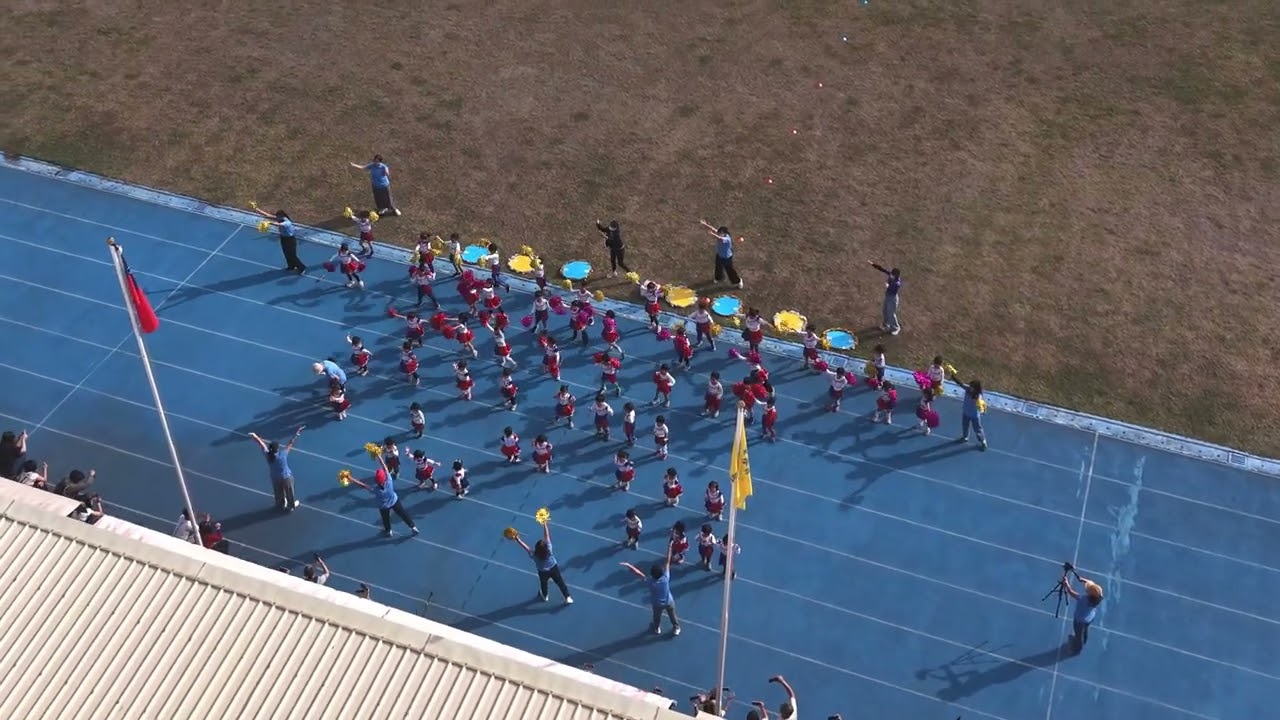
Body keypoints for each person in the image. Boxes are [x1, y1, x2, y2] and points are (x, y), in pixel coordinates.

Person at [620, 541, 680, 635]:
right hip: (669, 601)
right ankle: (676, 627)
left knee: (656, 617)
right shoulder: (666, 578)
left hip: (657, 604)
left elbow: (638, 573)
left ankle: (657, 628)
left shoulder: (650, 582)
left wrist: (629, 566)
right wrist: (670, 547)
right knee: (672, 615)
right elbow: (667, 562)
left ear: (652, 574)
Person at [344, 464, 420, 537]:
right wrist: (378, 455)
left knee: (385, 519)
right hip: (394, 501)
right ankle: (413, 527)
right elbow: (385, 467)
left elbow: (363, 485)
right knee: (403, 514)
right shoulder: (389, 481)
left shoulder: (376, 490)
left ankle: (389, 531)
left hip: (384, 506)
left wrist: (350, 478)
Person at [510, 520, 573, 604]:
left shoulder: (534, 555)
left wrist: (518, 539)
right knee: (560, 582)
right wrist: (545, 524)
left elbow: (526, 548)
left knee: (544, 584)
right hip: (554, 568)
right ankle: (567, 597)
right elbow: (547, 536)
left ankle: (545, 595)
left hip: (543, 572)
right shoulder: (549, 550)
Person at [249, 426, 304, 510]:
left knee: (278, 492)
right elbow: (290, 444)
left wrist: (255, 436)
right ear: (277, 449)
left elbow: (262, 444)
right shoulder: (283, 454)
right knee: (289, 492)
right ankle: (291, 505)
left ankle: (280, 504)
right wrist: (296, 435)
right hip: (286, 476)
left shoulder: (268, 455)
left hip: (275, 477)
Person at [251, 207, 306, 273]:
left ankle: (302, 268)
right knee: (286, 253)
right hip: (283, 238)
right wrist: (256, 209)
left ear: (282, 216)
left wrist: (269, 223)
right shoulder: (280, 218)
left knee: (292, 255)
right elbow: (267, 215)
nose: (277, 218)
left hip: (290, 240)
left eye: (278, 216)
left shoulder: (287, 222)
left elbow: (279, 225)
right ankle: (291, 266)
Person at [1063, 572, 1104, 653]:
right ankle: (1084, 639)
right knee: (1085, 630)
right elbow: (1092, 584)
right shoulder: (1099, 597)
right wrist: (1083, 580)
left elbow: (1071, 592)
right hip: (1089, 618)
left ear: (1089, 593)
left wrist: (1066, 583)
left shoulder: (1083, 599)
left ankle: (1077, 648)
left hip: (1079, 621)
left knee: (1078, 635)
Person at [700, 220, 743, 288]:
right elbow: (713, 229)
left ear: (724, 233)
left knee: (730, 270)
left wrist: (712, 234)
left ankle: (738, 281)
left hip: (727, 258)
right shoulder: (721, 233)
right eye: (719, 232)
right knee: (718, 267)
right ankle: (719, 278)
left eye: (720, 233)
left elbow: (720, 238)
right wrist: (705, 224)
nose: (719, 233)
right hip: (719, 255)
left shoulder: (727, 239)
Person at [952, 375, 989, 450]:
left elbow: (979, 401)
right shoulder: (967, 389)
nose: (970, 387)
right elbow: (961, 384)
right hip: (966, 412)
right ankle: (965, 437)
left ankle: (983, 442)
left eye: (971, 387)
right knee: (965, 426)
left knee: (977, 429)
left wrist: (980, 405)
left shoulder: (978, 395)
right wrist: (954, 377)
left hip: (974, 415)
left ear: (975, 388)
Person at [867, 260, 903, 335]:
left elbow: (893, 287)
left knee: (891, 313)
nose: (891, 276)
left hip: (892, 298)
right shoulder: (892, 275)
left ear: (896, 276)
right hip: (888, 296)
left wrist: (888, 285)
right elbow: (883, 270)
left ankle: (895, 328)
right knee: (885, 310)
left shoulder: (897, 283)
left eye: (892, 275)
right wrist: (874, 265)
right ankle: (885, 324)